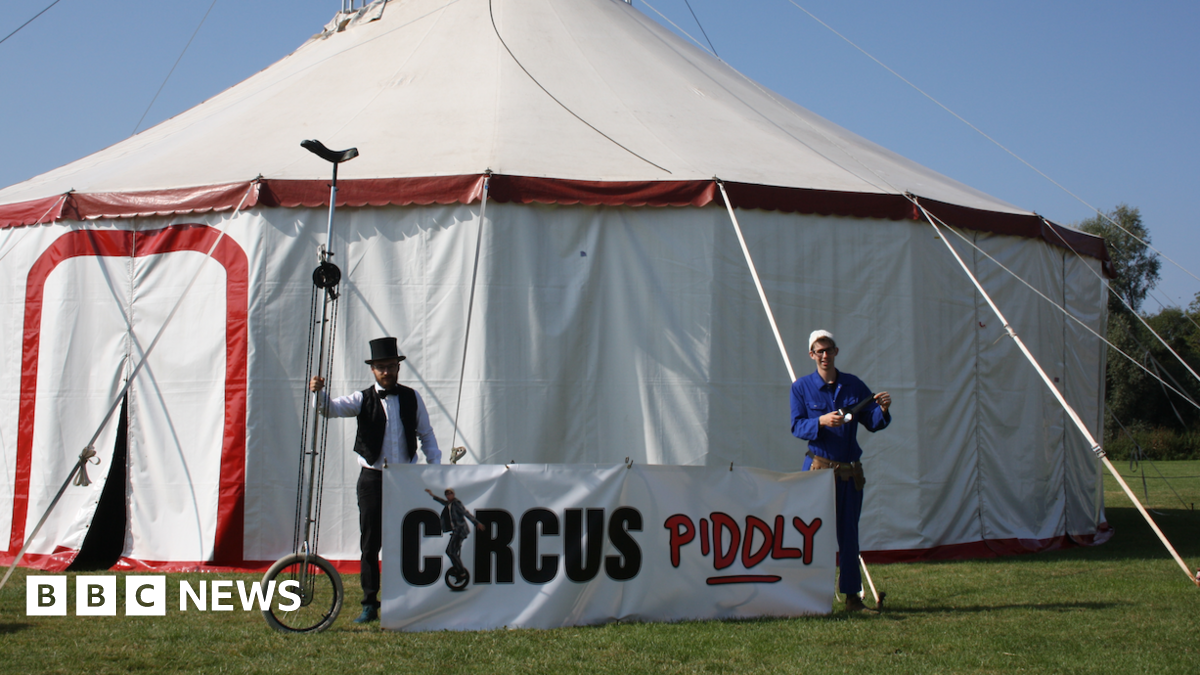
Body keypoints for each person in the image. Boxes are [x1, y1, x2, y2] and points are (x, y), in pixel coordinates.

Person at [310, 336, 441, 623]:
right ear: (373, 370)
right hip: (372, 479)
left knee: (407, 539)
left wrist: (435, 468)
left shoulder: (411, 397)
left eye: (391, 365)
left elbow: (426, 434)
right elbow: (329, 409)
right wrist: (319, 394)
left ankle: (408, 600)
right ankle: (370, 603)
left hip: (405, 479)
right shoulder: (362, 399)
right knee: (371, 543)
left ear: (398, 367)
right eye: (381, 367)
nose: (386, 371)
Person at [790, 329, 891, 613]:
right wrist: (820, 421)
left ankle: (851, 598)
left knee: (849, 534)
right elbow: (797, 426)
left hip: (849, 472)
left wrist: (882, 410)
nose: (824, 355)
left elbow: (871, 421)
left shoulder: (853, 385)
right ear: (811, 355)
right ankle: (805, 596)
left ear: (836, 352)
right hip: (817, 471)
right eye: (819, 351)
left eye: (829, 350)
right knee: (810, 533)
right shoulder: (801, 388)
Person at [424, 487, 484, 590]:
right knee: (452, 552)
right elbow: (442, 502)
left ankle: (461, 572)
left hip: (460, 531)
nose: (448, 496)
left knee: (450, 551)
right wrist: (432, 495)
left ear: (453, 494)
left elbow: (466, 513)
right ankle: (459, 570)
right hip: (456, 531)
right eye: (447, 495)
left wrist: (476, 523)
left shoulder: (456, 503)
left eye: (450, 494)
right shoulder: (449, 504)